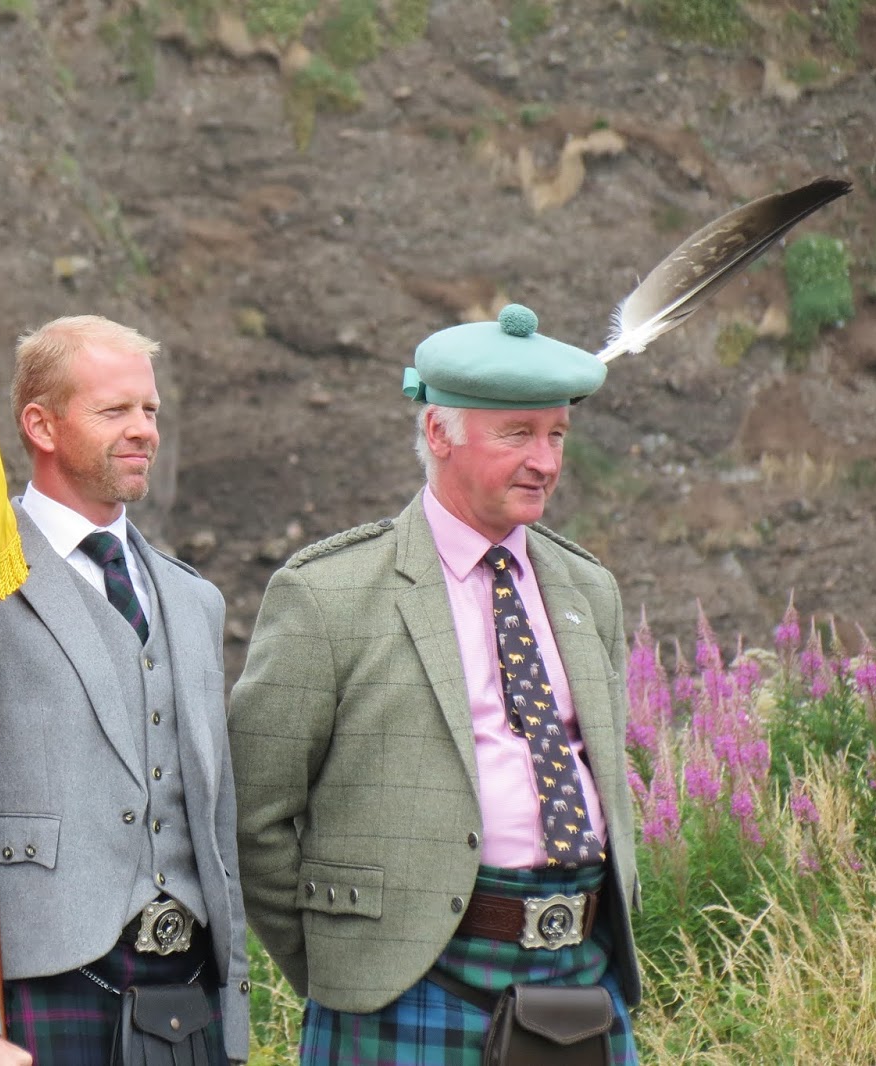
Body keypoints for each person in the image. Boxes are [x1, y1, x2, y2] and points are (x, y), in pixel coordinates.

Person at [228, 303, 641, 1064]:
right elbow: (255, 813)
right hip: (409, 984)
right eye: (517, 434)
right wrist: (349, 964)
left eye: (557, 435)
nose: (546, 461)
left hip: (583, 971)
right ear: (438, 432)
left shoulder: (589, 589)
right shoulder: (331, 593)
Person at [0, 315, 251, 1066]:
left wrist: (235, 1005)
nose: (144, 430)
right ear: (42, 425)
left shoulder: (195, 602)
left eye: (149, 410)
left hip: (188, 992)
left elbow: (215, 822)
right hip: (39, 993)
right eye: (115, 411)